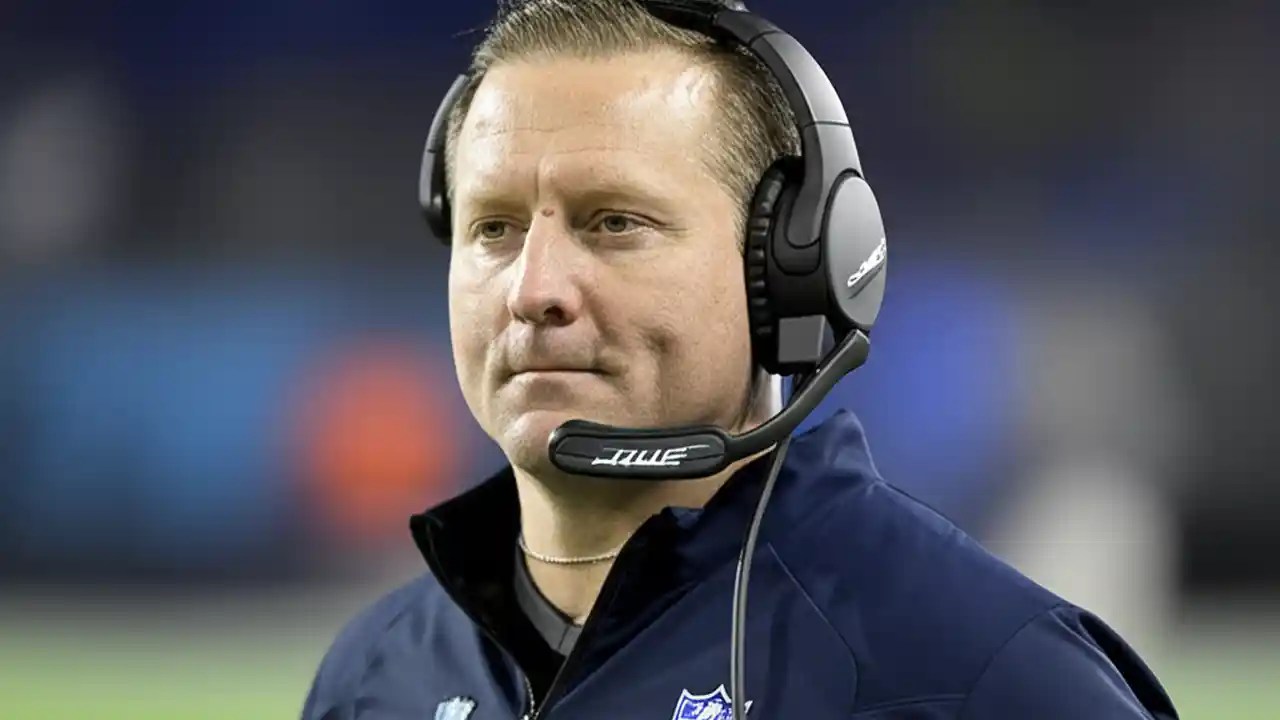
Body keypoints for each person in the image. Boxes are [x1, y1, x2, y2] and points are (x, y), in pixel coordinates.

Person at [302, 1, 1180, 718]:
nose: (533, 289)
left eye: (615, 223)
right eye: (494, 229)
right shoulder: (375, 678)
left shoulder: (984, 676)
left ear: (785, 270)